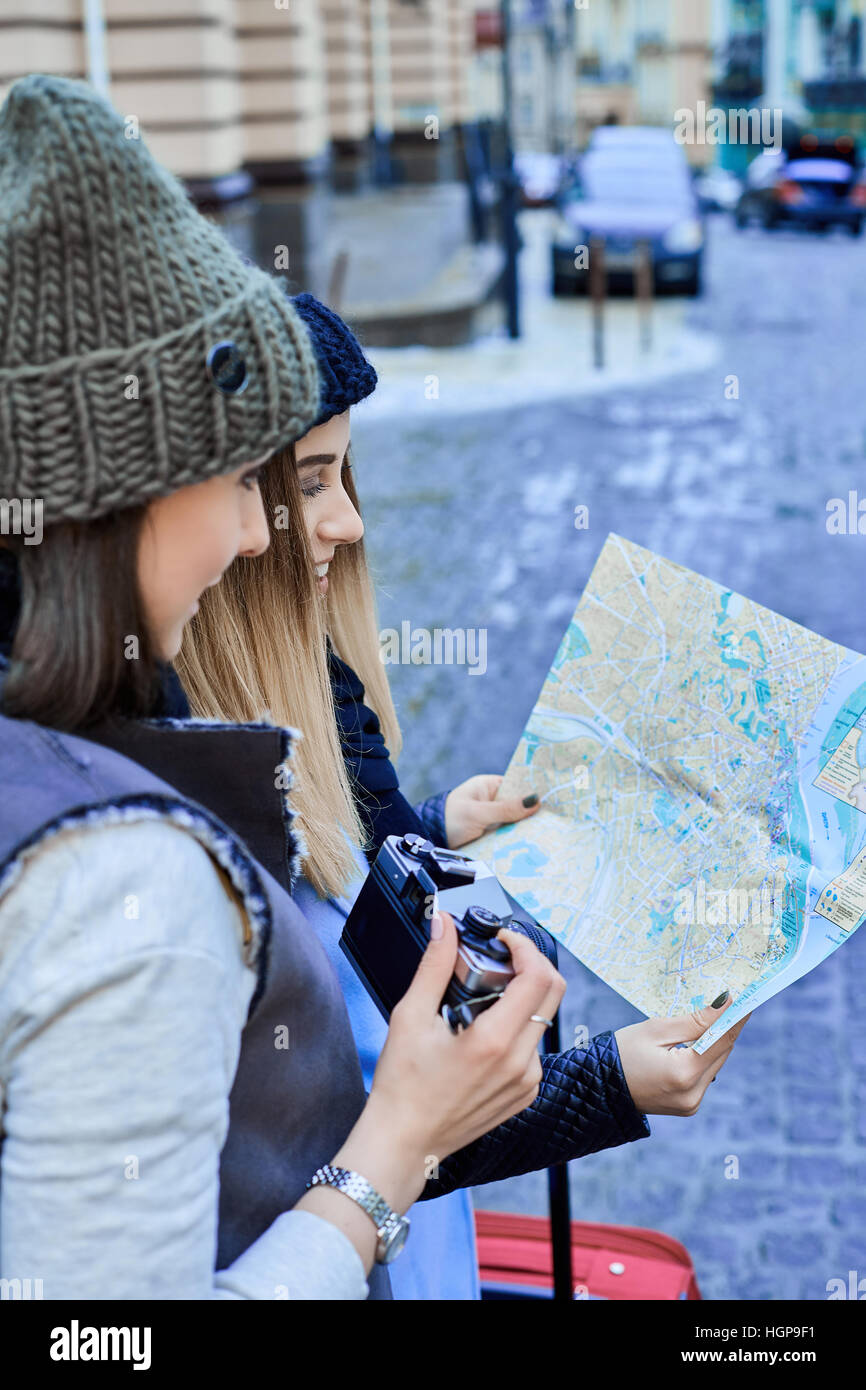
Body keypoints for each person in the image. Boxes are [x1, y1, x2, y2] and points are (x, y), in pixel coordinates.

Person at [0, 74, 566, 1301]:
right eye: (233, 474)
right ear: (128, 490)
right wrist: (387, 1157)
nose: (261, 536)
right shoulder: (120, 866)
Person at [176, 296, 750, 1299]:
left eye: (342, 475)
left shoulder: (316, 692)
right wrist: (607, 1083)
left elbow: (358, 863)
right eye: (307, 483)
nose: (348, 521)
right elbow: (354, 1139)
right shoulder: (186, 819)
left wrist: (434, 827)